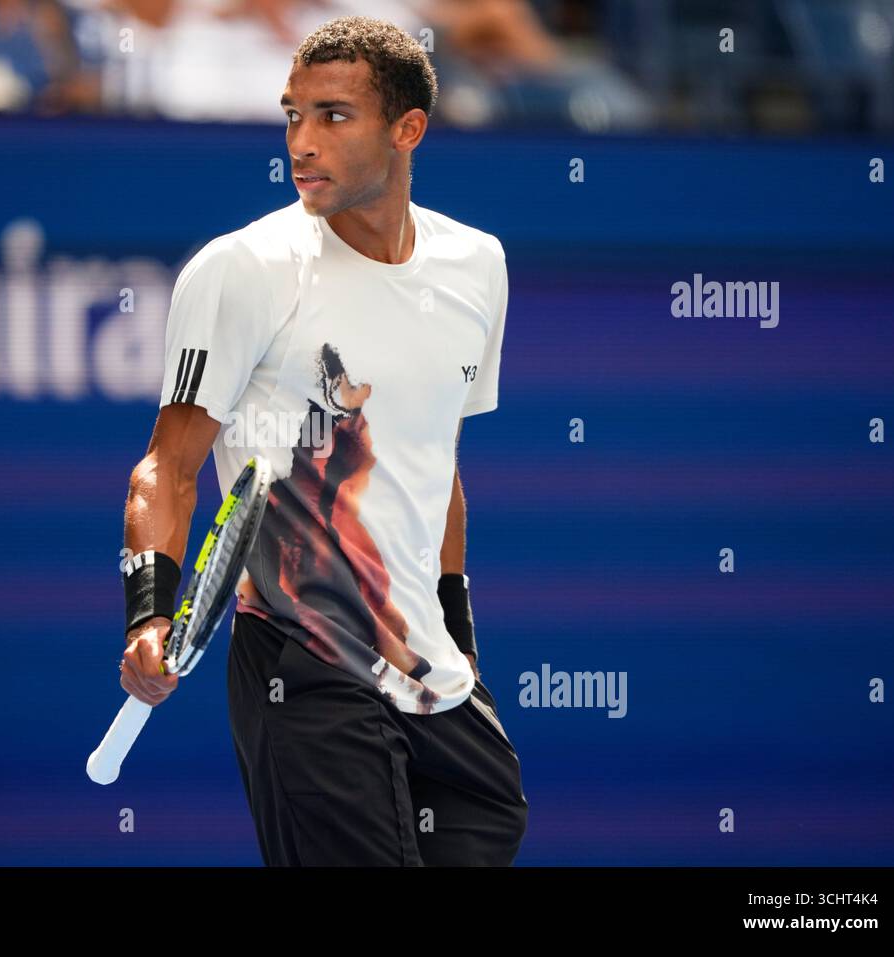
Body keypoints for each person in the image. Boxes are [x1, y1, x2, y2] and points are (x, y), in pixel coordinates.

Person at [119, 15, 528, 865]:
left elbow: (434, 463)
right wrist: (149, 615)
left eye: (333, 116)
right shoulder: (242, 269)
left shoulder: (477, 264)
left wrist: (459, 633)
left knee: (493, 820)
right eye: (291, 114)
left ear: (407, 130)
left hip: (434, 673)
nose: (301, 142)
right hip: (299, 663)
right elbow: (168, 467)